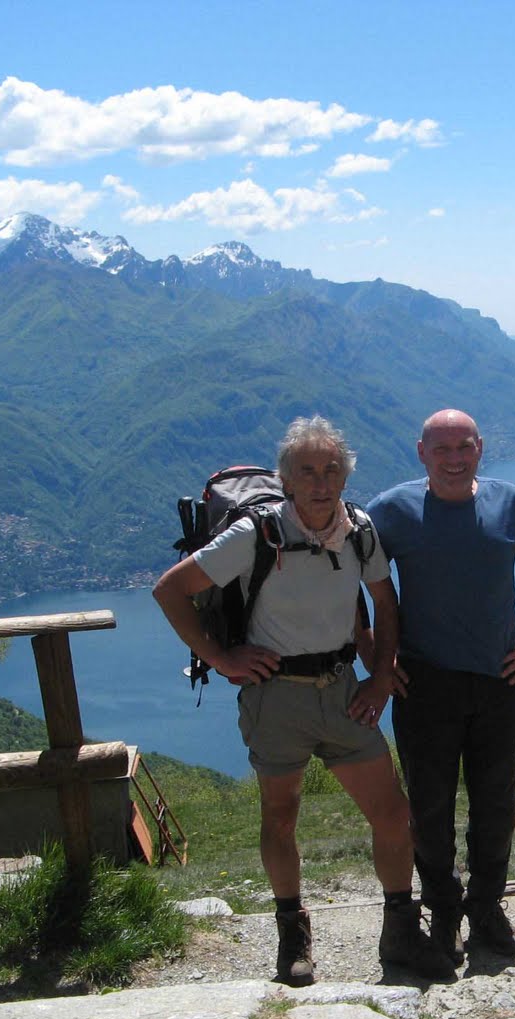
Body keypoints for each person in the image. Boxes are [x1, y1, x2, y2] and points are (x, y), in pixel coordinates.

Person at [152, 415, 453, 986]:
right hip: (276, 698)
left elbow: (385, 604)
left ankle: (400, 932)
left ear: (345, 476)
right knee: (281, 815)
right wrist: (222, 658)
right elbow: (170, 590)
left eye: (332, 470)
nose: (321, 482)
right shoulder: (256, 534)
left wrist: (380, 677)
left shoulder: (359, 530)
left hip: (342, 692)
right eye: (308, 471)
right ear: (286, 480)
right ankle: (292, 935)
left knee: (393, 815)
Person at [367, 409, 515, 964]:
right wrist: (377, 661)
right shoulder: (390, 511)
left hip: (498, 679)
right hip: (423, 684)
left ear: (480, 447)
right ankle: (443, 912)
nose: (454, 458)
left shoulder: (510, 504)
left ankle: (486, 909)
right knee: (429, 807)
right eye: (442, 449)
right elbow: (347, 581)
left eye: (464, 446)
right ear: (421, 453)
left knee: (496, 804)